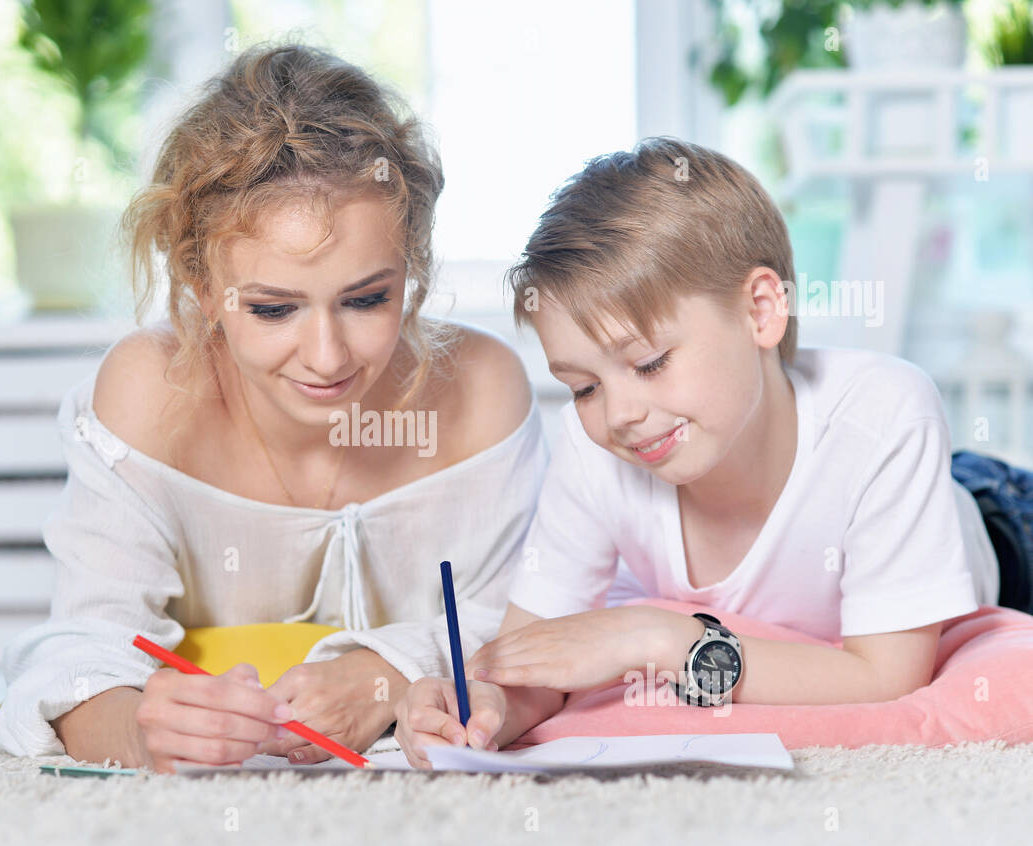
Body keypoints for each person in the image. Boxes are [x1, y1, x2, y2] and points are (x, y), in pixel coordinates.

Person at [0, 43, 547, 772]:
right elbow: (85, 647)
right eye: (273, 308)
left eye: (367, 298)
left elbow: (535, 631)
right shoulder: (149, 394)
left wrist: (379, 675)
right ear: (199, 289)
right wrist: (141, 731)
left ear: (412, 266)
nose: (326, 355)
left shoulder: (481, 391)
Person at [394, 136, 1028, 768]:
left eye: (649, 362)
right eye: (583, 388)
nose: (619, 415)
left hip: (1001, 521)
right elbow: (532, 657)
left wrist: (653, 636)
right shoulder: (594, 451)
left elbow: (887, 678)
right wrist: (484, 710)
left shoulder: (885, 412)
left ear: (760, 311)